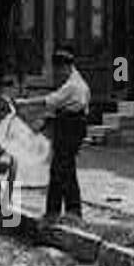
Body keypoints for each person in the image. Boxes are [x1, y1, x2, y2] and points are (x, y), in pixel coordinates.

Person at [40, 47, 90, 221]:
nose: (57, 74)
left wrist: (25, 102)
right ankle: (72, 211)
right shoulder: (76, 81)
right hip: (70, 126)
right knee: (67, 169)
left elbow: (51, 101)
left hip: (71, 127)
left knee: (59, 169)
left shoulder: (73, 85)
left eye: (58, 70)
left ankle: (54, 212)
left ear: (65, 67)